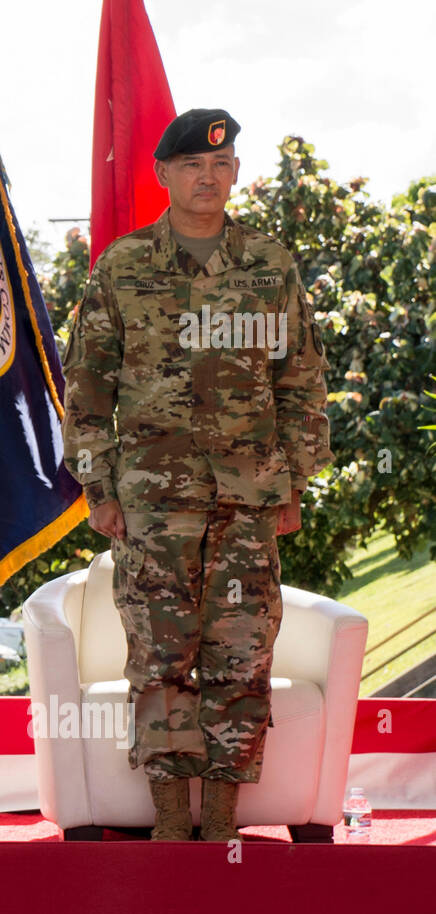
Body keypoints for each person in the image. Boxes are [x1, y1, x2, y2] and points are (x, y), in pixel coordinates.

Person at [61, 109, 330, 842]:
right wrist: (99, 488)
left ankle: (223, 818)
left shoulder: (269, 264)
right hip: (151, 502)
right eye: (191, 166)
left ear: (235, 172)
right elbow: (85, 388)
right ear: (164, 175)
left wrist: (293, 482)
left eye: (221, 164)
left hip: (249, 498)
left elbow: (302, 380)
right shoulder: (122, 267)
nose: (207, 177)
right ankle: (171, 817)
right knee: (159, 653)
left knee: (241, 653)